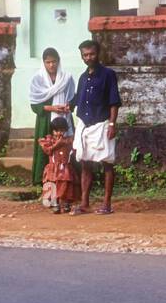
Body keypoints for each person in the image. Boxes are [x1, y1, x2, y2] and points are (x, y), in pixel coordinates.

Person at [72, 39, 122, 215]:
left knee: (107, 163)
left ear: (97, 53)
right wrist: (66, 107)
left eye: (91, 54)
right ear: (82, 57)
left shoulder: (108, 75)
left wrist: (112, 124)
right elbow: (77, 99)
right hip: (84, 125)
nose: (88, 57)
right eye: (85, 55)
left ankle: (106, 204)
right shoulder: (82, 77)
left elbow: (114, 101)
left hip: (102, 123)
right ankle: (85, 203)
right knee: (85, 163)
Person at [28, 47, 76, 207]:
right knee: (49, 150)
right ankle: (45, 186)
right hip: (46, 121)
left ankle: (68, 187)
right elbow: (35, 105)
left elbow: (72, 98)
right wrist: (52, 108)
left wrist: (68, 107)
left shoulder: (67, 78)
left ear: (58, 61)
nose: (51, 65)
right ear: (43, 63)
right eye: (48, 62)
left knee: (65, 150)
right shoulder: (38, 79)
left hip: (63, 119)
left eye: (54, 61)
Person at [37, 117, 80, 214]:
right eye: (56, 131)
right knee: (52, 185)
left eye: (61, 130)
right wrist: (57, 144)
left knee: (66, 185)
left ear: (65, 130)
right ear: (52, 131)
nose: (59, 133)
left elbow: (74, 149)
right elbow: (48, 151)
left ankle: (66, 203)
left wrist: (63, 142)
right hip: (53, 168)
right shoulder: (49, 141)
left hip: (65, 168)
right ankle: (54, 203)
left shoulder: (69, 141)